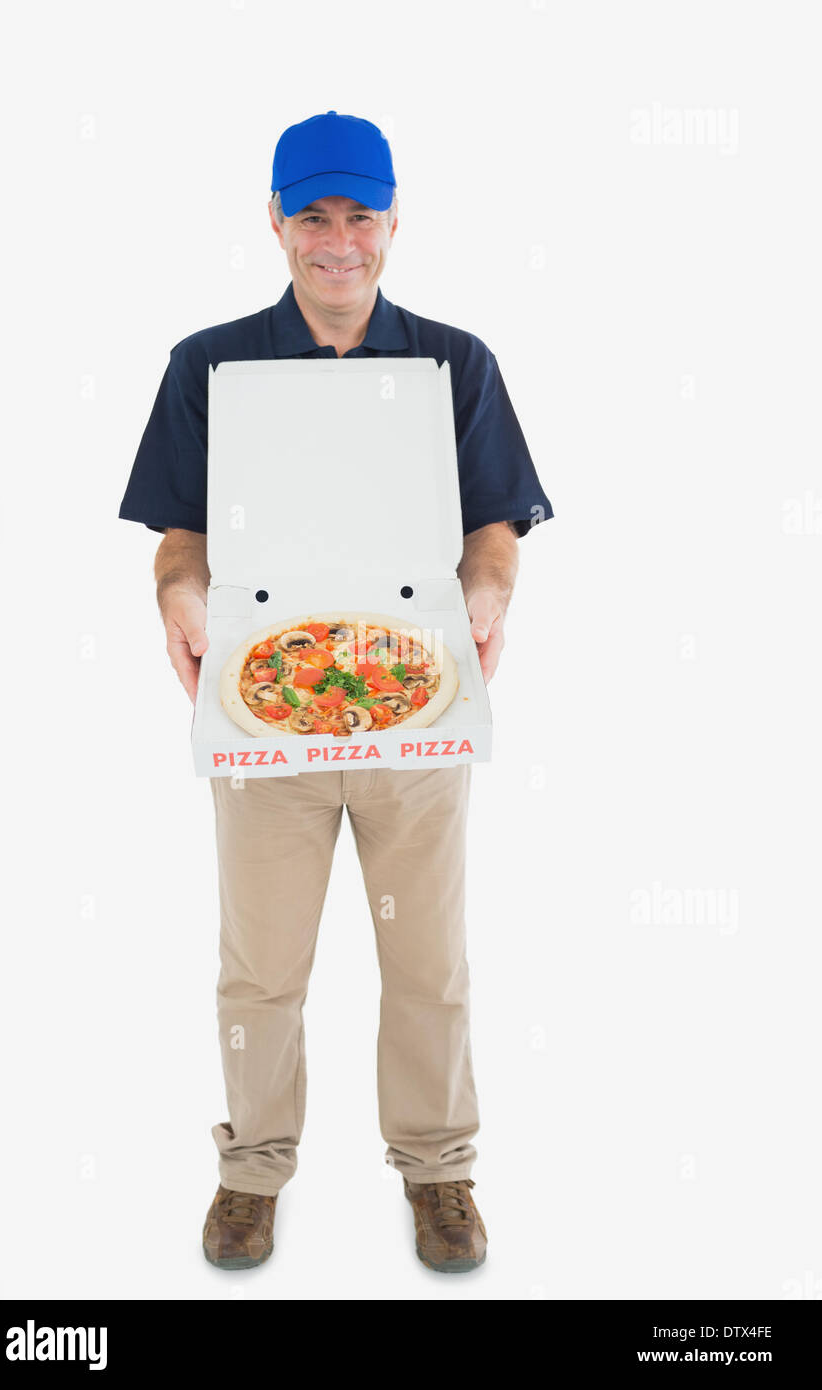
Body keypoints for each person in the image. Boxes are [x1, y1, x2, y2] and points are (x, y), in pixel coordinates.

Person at [119, 110, 553, 1275]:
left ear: (394, 221)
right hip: (266, 704)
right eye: (312, 215)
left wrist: (488, 597)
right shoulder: (207, 364)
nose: (337, 239)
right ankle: (251, 1170)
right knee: (260, 965)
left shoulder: (454, 362)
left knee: (428, 962)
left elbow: (493, 530)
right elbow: (179, 539)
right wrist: (179, 597)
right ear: (274, 221)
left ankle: (439, 1173)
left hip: (415, 707)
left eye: (360, 214)